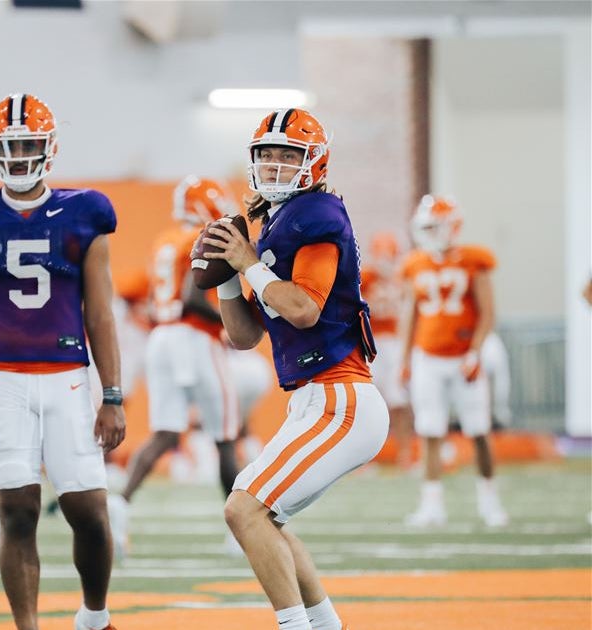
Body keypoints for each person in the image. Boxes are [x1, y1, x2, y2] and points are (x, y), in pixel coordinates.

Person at [0, 93, 123, 630]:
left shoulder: (86, 212)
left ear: (48, 147)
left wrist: (111, 395)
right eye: (9, 146)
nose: (18, 156)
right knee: (16, 512)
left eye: (28, 144)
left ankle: (94, 614)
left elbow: (100, 315)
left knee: (89, 512)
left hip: (67, 377)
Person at [204, 107, 389, 630]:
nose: (277, 164)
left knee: (244, 510)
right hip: (315, 401)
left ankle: (294, 627)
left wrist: (249, 265)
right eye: (268, 154)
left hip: (340, 399)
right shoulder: (275, 225)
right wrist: (224, 274)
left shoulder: (317, 215)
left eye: (290, 154)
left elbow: (304, 309)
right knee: (267, 518)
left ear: (315, 161)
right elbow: (243, 337)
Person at [112, 176, 242, 559]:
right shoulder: (199, 238)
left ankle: (119, 504)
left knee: (165, 434)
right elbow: (194, 298)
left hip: (162, 339)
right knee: (225, 438)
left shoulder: (164, 241)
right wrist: (229, 323)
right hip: (196, 339)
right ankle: (241, 528)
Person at [399, 195, 508, 528]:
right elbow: (410, 314)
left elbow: (488, 311)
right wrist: (405, 359)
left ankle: (490, 502)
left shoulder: (474, 259)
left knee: (478, 430)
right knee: (430, 430)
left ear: (451, 227)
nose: (429, 233)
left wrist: (476, 351)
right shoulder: (415, 263)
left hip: (463, 356)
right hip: (428, 358)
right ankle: (432, 505)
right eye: (426, 227)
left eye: (434, 226)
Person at [361, 231, 415, 469]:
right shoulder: (365, 278)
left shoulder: (403, 277)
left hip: (394, 344)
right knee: (367, 402)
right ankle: (361, 460)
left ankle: (406, 454)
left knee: (399, 400)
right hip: (372, 343)